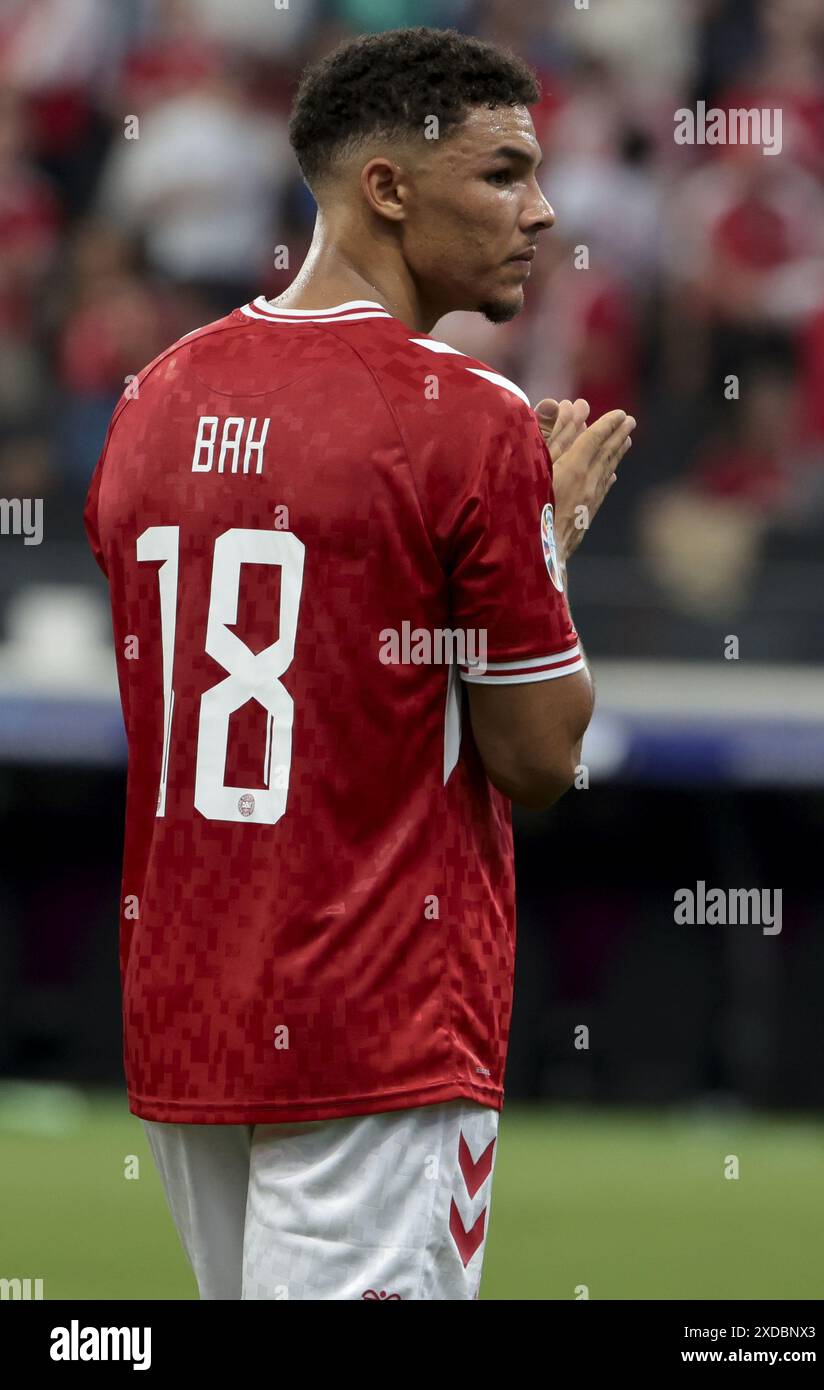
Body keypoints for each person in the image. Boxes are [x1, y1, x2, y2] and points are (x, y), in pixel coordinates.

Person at [83, 25, 635, 1301]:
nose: (541, 211)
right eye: (502, 173)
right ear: (387, 187)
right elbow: (540, 758)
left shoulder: (150, 396)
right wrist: (541, 548)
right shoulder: (473, 418)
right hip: (377, 1023)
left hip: (189, 1018)